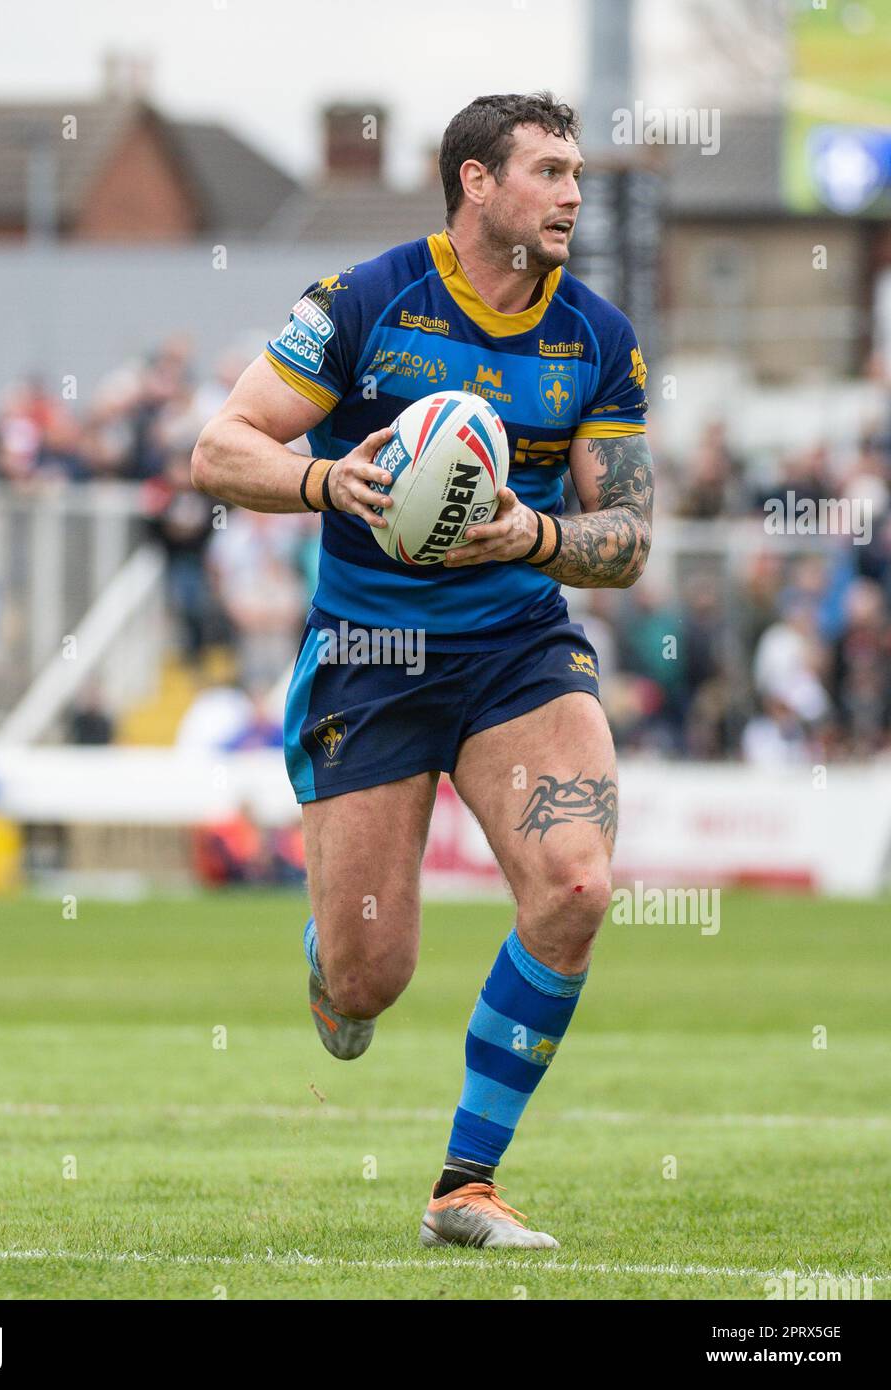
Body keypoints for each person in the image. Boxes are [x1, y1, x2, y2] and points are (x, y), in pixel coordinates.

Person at [192, 92, 653, 1249]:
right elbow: (219, 447)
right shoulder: (361, 302)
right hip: (371, 654)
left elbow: (628, 536)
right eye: (546, 171)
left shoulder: (596, 338)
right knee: (367, 980)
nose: (571, 195)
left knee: (577, 885)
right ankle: (329, 960)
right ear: (474, 184)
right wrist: (323, 480)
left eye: (576, 173)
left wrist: (533, 538)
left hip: (517, 651)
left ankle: (464, 1184)